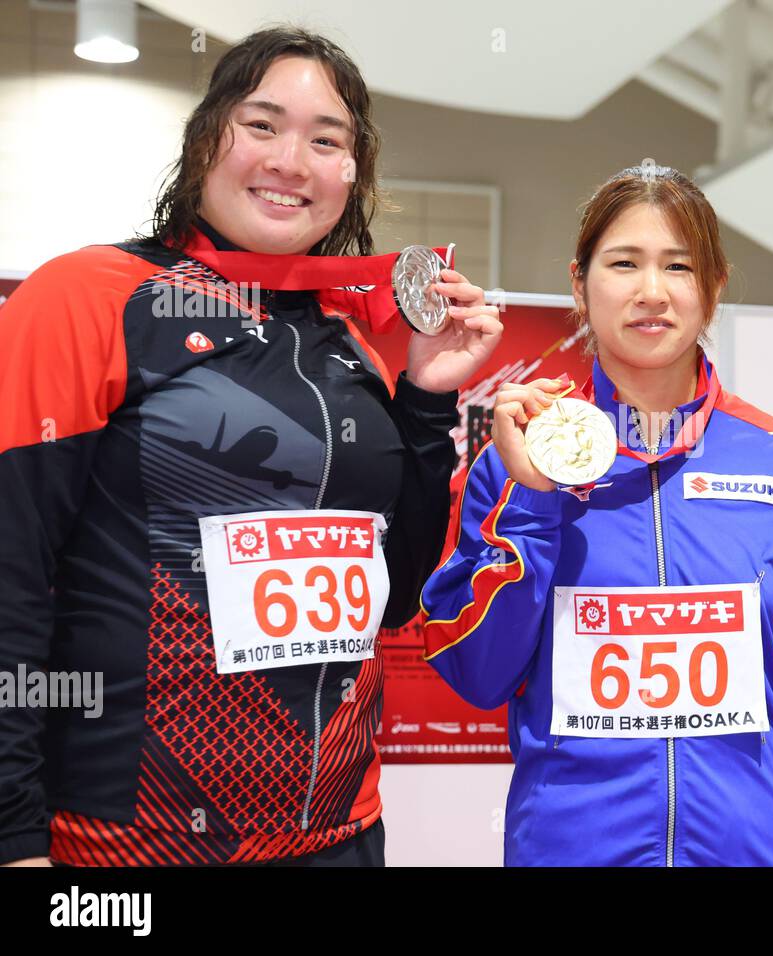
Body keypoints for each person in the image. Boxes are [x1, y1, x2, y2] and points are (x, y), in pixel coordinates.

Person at [0, 28, 501, 867]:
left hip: (339, 836)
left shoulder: (343, 337)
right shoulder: (86, 297)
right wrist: (13, 836)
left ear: (353, 173)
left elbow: (392, 599)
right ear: (205, 140)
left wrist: (424, 398)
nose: (292, 161)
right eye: (261, 124)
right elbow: (9, 577)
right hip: (126, 848)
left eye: (327, 140)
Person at [420, 165, 773, 866]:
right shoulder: (514, 465)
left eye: (679, 266)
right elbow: (475, 671)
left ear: (715, 288)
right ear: (579, 285)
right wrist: (536, 499)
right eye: (624, 264)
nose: (651, 292)